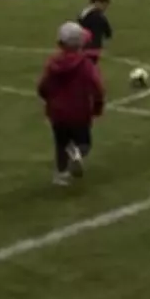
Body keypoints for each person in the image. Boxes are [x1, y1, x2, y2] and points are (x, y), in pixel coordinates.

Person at [37, 22, 105, 186]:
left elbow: (43, 86)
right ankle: (76, 154)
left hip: (57, 112)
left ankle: (60, 174)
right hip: (79, 110)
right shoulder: (85, 64)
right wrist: (97, 105)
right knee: (84, 143)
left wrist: (48, 99)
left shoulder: (53, 63)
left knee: (61, 143)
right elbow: (97, 86)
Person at [78, 0, 112, 64]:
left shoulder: (84, 13)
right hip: (92, 48)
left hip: (82, 46)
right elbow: (108, 33)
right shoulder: (98, 17)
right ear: (97, 3)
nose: (105, 8)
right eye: (104, 5)